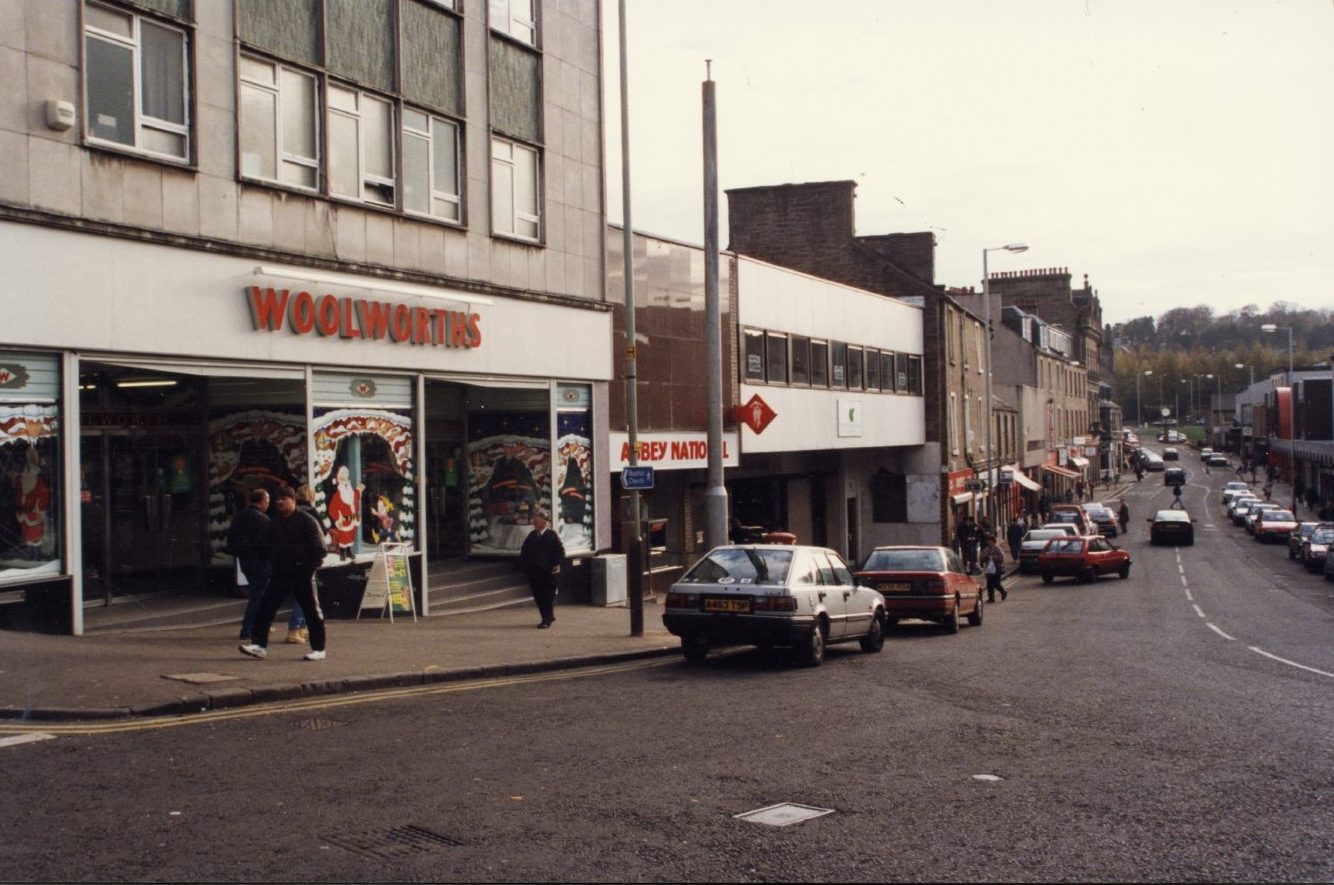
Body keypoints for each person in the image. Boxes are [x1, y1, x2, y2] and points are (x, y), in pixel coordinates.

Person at [240, 485, 329, 661]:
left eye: (284, 498)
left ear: (293, 500)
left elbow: (320, 549)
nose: (280, 502)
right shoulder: (274, 522)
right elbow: (264, 545)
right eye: (277, 499)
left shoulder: (307, 521)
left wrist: (307, 569)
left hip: (302, 575)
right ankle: (259, 645)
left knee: (311, 611)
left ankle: (319, 648)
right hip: (280, 574)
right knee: (265, 608)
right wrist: (271, 560)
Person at [282, 485, 324, 645]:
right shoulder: (311, 513)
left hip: (289, 559)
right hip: (306, 559)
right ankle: (295, 628)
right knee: (305, 595)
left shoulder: (290, 513)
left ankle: (301, 628)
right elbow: (322, 531)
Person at [229, 488, 273, 641]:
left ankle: (258, 624)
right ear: (261, 502)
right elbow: (267, 544)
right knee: (258, 595)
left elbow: (232, 539)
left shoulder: (239, 516)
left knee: (258, 593)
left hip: (245, 560)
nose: (268, 504)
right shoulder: (263, 519)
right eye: (267, 501)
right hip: (260, 561)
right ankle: (248, 628)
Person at [518, 511, 564, 628]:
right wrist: (526, 565)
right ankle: (547, 616)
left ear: (544, 522)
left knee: (547, 595)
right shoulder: (532, 536)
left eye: (537, 521)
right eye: (534, 521)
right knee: (538, 596)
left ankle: (546, 619)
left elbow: (560, 553)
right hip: (534, 572)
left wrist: (553, 565)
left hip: (548, 573)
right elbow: (524, 551)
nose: (534, 523)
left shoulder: (551, 535)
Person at [326, 464, 363, 561]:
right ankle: (342, 552)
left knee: (350, 535)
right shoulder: (338, 495)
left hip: (353, 517)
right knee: (343, 536)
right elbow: (332, 508)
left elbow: (354, 498)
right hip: (344, 519)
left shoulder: (350, 490)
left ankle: (349, 552)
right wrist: (337, 517)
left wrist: (359, 490)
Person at [981, 534, 1007, 603]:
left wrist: (993, 557)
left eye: (990, 541)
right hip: (989, 569)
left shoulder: (997, 548)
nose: (989, 542)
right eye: (988, 541)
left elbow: (1002, 557)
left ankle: (1003, 592)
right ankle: (991, 598)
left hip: (997, 568)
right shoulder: (986, 549)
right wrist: (984, 558)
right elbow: (982, 557)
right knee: (989, 584)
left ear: (993, 541)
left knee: (996, 583)